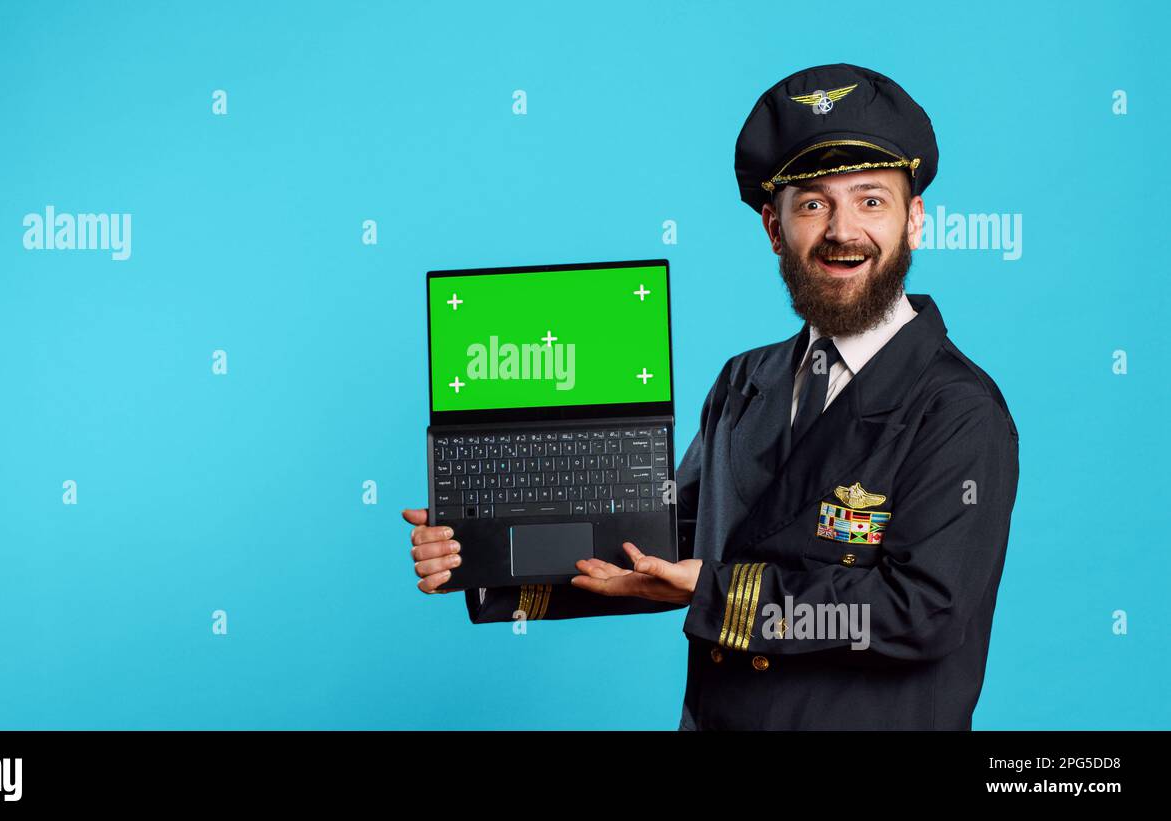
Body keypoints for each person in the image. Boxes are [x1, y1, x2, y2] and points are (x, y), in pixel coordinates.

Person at [403, 63, 1019, 730]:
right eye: (813, 203)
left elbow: (922, 609)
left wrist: (716, 592)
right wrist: (485, 560)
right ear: (773, 227)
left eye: (872, 199)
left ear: (915, 221)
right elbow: (662, 545)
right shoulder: (745, 380)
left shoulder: (958, 407)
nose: (843, 230)